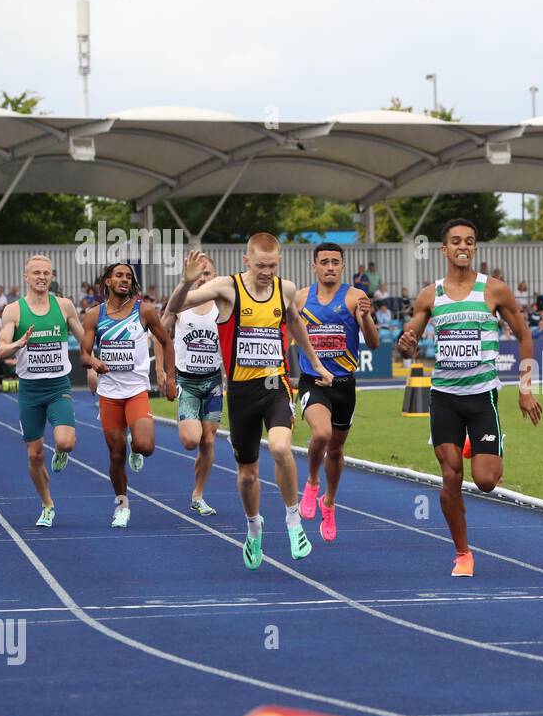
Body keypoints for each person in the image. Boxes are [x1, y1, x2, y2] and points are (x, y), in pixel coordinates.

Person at [167, 235, 334, 568]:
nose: (266, 272)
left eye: (272, 266)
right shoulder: (226, 288)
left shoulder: (285, 289)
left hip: (275, 385)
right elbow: (174, 307)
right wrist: (185, 283)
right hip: (241, 393)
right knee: (247, 475)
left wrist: (315, 364)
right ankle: (254, 526)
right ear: (247, 261)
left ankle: (293, 520)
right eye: (260, 266)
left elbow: (295, 322)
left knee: (281, 447)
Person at [396, 219, 542, 577]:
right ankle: (463, 554)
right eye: (456, 241)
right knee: (450, 477)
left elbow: (524, 335)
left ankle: (478, 446)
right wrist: (407, 345)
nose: (463, 246)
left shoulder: (493, 291)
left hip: (482, 398)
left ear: (474, 248)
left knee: (487, 481)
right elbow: (409, 344)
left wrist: (525, 389)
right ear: (444, 249)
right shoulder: (430, 295)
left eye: (470, 241)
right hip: (444, 396)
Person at [0, 255, 102, 527]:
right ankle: (47, 504)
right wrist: (19, 343)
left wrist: (90, 367)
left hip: (57, 386)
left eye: (46, 273)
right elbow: (0, 349)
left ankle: (62, 452)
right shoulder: (13, 311)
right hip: (30, 390)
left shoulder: (64, 306)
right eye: (36, 273)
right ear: (26, 277)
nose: (42, 277)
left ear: (52, 277)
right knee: (34, 455)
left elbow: (83, 340)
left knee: (65, 442)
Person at [79, 263, 177, 528]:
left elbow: (167, 342)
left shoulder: (144, 311)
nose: (124, 279)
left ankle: (135, 441)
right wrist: (94, 363)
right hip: (109, 392)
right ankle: (122, 503)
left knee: (145, 447)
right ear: (108, 282)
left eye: (128, 277)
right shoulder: (93, 316)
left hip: (136, 390)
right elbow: (83, 354)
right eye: (119, 275)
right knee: (115, 455)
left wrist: (170, 378)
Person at [294, 242, 379, 542]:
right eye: (324, 262)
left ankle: (328, 502)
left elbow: (375, 342)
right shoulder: (301, 298)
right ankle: (312, 482)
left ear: (343, 266)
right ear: (314, 265)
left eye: (335, 262)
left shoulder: (356, 297)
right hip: (313, 381)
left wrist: (366, 318)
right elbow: (283, 333)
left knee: (337, 449)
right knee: (321, 434)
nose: (330, 267)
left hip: (344, 384)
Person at [161, 252, 230, 516]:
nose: (203, 278)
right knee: (192, 440)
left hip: (213, 381)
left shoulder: (222, 305)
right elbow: (161, 329)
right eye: (199, 273)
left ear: (216, 277)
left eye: (208, 273)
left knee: (209, 441)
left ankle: (198, 495)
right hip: (187, 382)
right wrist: (163, 371)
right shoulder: (182, 303)